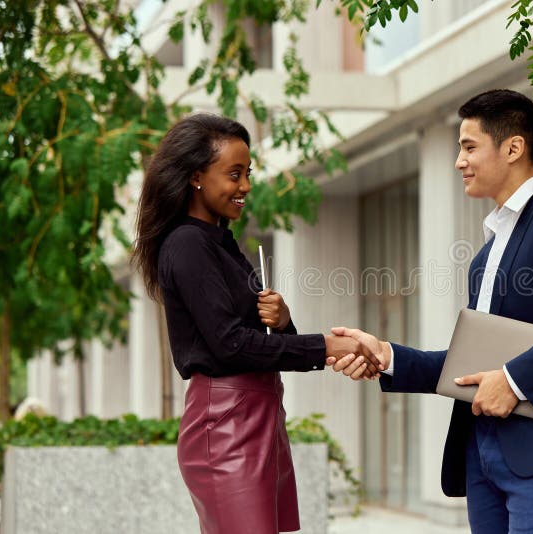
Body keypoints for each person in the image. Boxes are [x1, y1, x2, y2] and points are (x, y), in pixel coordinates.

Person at [332, 89, 533, 533]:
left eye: (469, 146)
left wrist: (514, 381)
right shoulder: (487, 254)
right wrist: (389, 356)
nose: (459, 161)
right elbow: (474, 366)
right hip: (483, 453)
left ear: (513, 148)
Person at [131, 113, 378, 534]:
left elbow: (257, 342)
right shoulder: (187, 243)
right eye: (234, 174)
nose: (245, 186)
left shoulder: (222, 242)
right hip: (225, 425)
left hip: (259, 417)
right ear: (196, 177)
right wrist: (327, 347)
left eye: (248, 173)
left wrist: (282, 322)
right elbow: (230, 345)